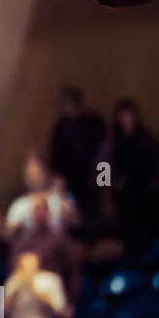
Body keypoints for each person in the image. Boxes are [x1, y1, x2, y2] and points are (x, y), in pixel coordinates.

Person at [99, 99, 159, 249]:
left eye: (130, 116)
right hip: (122, 197)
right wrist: (107, 187)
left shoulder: (147, 138)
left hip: (145, 195)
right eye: (124, 117)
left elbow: (158, 162)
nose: (127, 120)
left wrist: (156, 182)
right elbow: (102, 164)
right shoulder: (112, 140)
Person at [48, 85, 105, 221]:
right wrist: (55, 177)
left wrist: (103, 181)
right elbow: (56, 155)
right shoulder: (60, 127)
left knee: (93, 215)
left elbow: (105, 154)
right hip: (69, 182)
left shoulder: (95, 123)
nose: (62, 107)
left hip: (93, 179)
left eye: (65, 103)